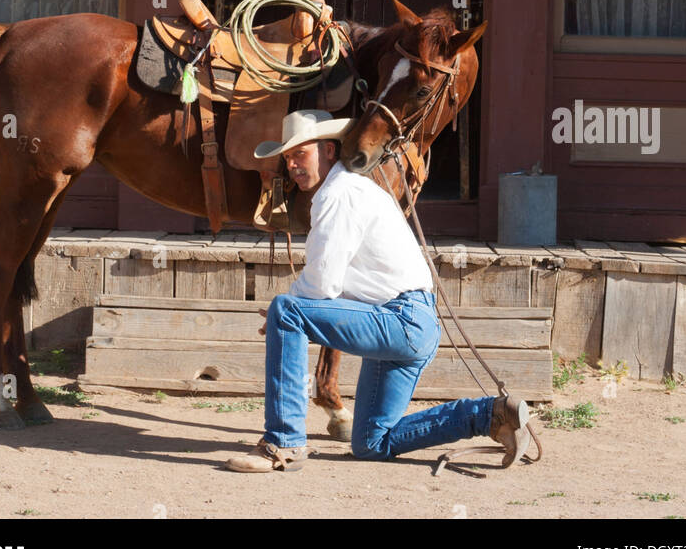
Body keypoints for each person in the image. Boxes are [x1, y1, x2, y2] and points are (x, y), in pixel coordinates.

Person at [226, 109, 533, 473]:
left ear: (328, 150)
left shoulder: (338, 194)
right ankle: (491, 415)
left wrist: (286, 311)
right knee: (371, 443)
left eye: (300, 153)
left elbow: (323, 282)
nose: (292, 164)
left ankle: (284, 442)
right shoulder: (355, 190)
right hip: (412, 325)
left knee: (287, 309)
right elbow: (330, 285)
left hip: (399, 320)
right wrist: (291, 310)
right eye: (288, 157)